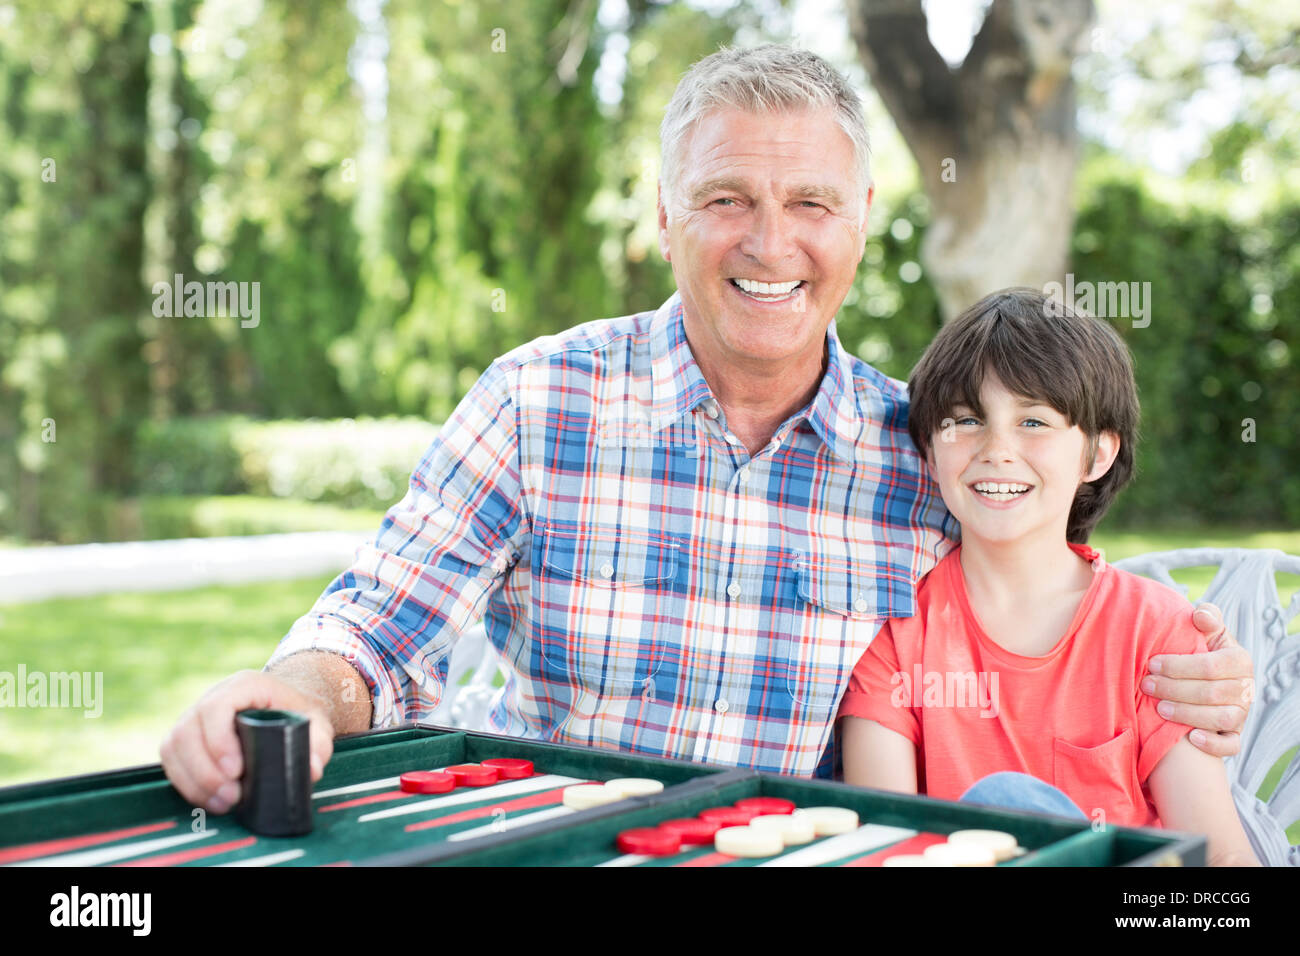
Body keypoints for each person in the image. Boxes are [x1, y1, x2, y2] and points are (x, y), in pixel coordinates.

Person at [160, 45, 1255, 817]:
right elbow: (380, 628)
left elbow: (1047, 614)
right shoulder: (539, 402)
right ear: (664, 212)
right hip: (545, 849)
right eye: (726, 197)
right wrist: (295, 696)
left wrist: (1200, 670)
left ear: (864, 218)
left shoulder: (923, 457)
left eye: (812, 205)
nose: (770, 244)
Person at [839, 288, 1259, 865]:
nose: (997, 450)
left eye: (1034, 420)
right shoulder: (896, 630)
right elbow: (882, 847)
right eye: (966, 420)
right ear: (931, 453)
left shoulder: (1156, 634)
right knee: (1002, 801)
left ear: (1097, 455)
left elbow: (1221, 863)